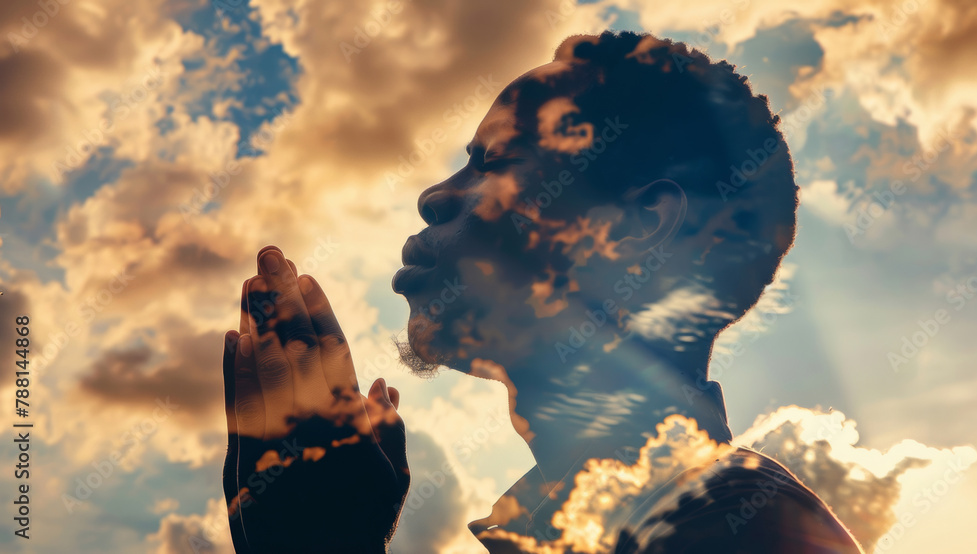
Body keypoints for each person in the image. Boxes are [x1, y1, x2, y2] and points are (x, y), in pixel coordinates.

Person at [220, 31, 864, 553]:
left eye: (493, 163)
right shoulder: (596, 520)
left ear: (636, 226)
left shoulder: (736, 526)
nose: (434, 196)